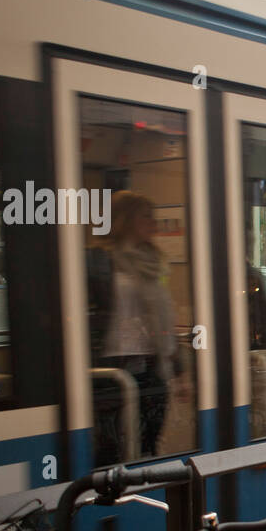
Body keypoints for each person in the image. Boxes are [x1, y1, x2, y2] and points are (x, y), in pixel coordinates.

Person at [87, 191, 187, 463]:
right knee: (112, 443)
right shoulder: (99, 260)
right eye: (146, 216)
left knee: (148, 441)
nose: (153, 223)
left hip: (151, 365)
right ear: (126, 219)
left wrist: (179, 371)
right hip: (112, 364)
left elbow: (165, 319)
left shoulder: (153, 264)